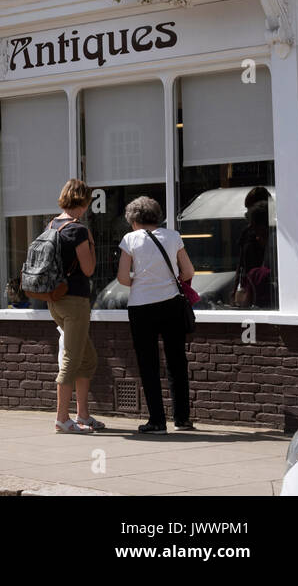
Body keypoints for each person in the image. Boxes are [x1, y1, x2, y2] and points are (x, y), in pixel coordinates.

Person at [117, 196, 195, 433]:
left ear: (134, 220)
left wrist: (141, 282)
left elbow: (122, 277)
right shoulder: (173, 236)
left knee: (148, 362)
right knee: (176, 360)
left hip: (141, 307)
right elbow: (189, 270)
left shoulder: (130, 239)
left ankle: (157, 421)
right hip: (171, 303)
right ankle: (182, 419)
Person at [48, 178, 102, 434]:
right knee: (71, 359)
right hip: (75, 301)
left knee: (87, 358)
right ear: (84, 201)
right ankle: (62, 418)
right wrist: (90, 241)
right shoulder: (78, 230)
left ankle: (82, 414)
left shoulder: (51, 225)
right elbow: (89, 269)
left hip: (54, 300)